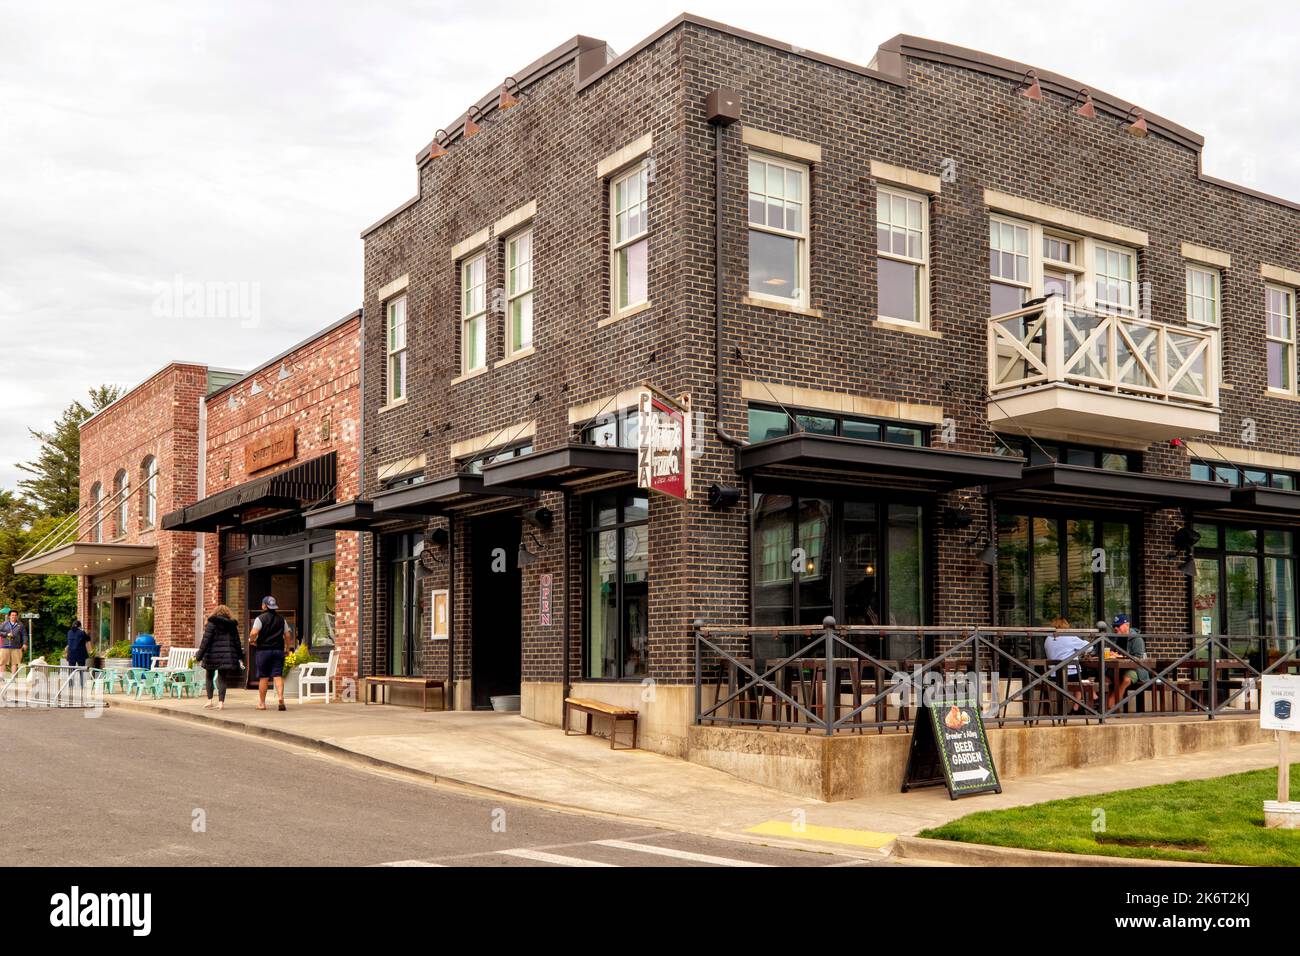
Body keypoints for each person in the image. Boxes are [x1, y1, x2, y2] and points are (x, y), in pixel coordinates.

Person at [195, 605, 244, 711]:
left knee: (209, 676)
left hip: (212, 655)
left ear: (215, 613)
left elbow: (205, 641)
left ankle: (209, 701)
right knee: (222, 678)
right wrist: (240, 657)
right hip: (226, 656)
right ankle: (221, 703)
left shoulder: (211, 624)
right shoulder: (232, 625)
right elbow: (237, 642)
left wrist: (199, 656)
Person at [249, 596, 292, 711]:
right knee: (277, 675)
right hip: (278, 651)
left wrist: (252, 640)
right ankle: (280, 697)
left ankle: (262, 704)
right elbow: (287, 635)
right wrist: (287, 648)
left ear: (265, 606)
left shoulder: (260, 618)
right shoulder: (281, 619)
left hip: (263, 651)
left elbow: (254, 633)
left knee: (264, 677)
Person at [1106, 613, 1149, 710]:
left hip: (1134, 669)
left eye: (1118, 626)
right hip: (1117, 668)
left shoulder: (1137, 639)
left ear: (1127, 625)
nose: (1115, 628)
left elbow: (1138, 659)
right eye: (1114, 626)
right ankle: (1103, 708)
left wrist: (1120, 656)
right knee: (1105, 679)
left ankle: (1113, 707)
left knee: (1126, 679)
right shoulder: (1116, 637)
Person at [0, 607, 26, 676]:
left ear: (17, 616)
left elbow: (24, 635)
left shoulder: (20, 625)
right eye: (12, 615)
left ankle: (12, 678)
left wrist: (24, 643)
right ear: (9, 616)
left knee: (15, 663)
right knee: (2, 662)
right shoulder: (4, 624)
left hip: (16, 647)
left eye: (15, 615)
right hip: (5, 646)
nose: (14, 616)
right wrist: (6, 634)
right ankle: (1, 677)